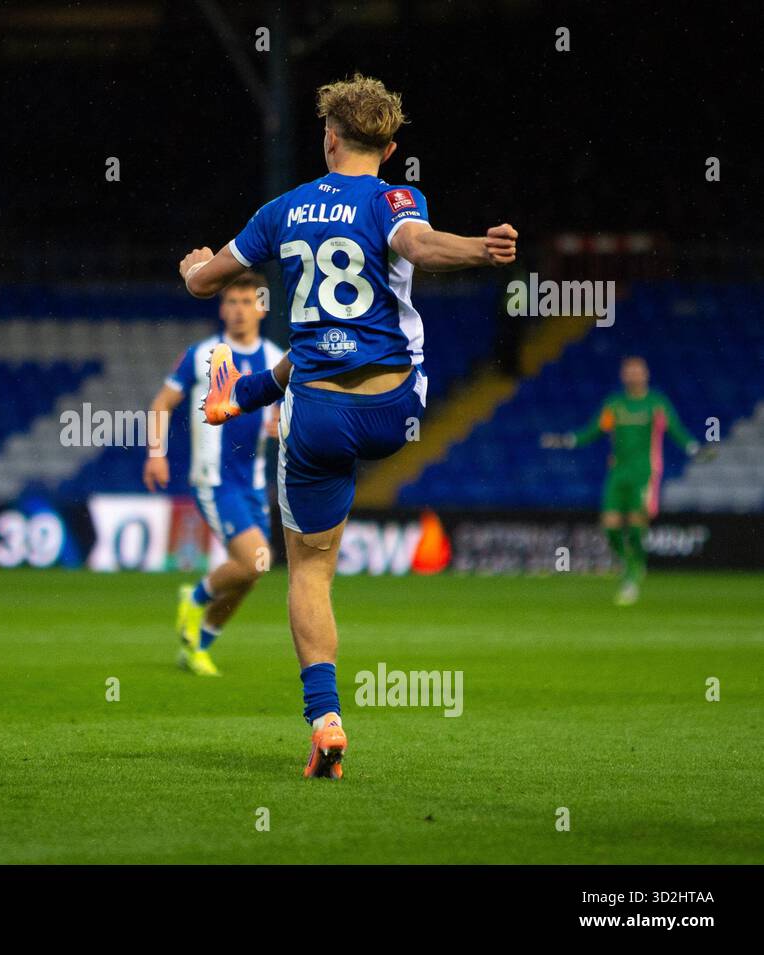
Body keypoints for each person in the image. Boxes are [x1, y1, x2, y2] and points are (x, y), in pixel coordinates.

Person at [176, 73, 517, 778]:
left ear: (328, 137)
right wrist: (482, 250)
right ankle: (244, 394)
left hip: (322, 415)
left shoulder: (283, 209)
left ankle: (326, 720)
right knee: (333, 351)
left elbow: (207, 281)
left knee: (309, 568)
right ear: (389, 148)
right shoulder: (397, 197)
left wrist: (191, 270)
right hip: (395, 409)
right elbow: (420, 246)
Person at [144, 272, 283, 675]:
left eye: (245, 302)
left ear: (261, 307)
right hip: (214, 480)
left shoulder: (276, 358)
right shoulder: (202, 354)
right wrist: (157, 454)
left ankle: (198, 645)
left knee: (249, 577)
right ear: (221, 308)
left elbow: (290, 411)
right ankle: (196, 597)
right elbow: (161, 404)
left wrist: (283, 422)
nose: (237, 310)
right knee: (257, 561)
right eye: (230, 302)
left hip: (253, 483)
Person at [541, 355, 700, 605]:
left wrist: (693, 447)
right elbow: (594, 429)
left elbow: (675, 429)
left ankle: (633, 573)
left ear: (645, 374)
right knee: (610, 527)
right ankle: (632, 563)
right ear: (623, 375)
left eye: (637, 371)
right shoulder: (615, 404)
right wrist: (568, 440)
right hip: (617, 473)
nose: (633, 375)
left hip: (643, 473)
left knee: (636, 524)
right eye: (629, 371)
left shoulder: (656, 403)